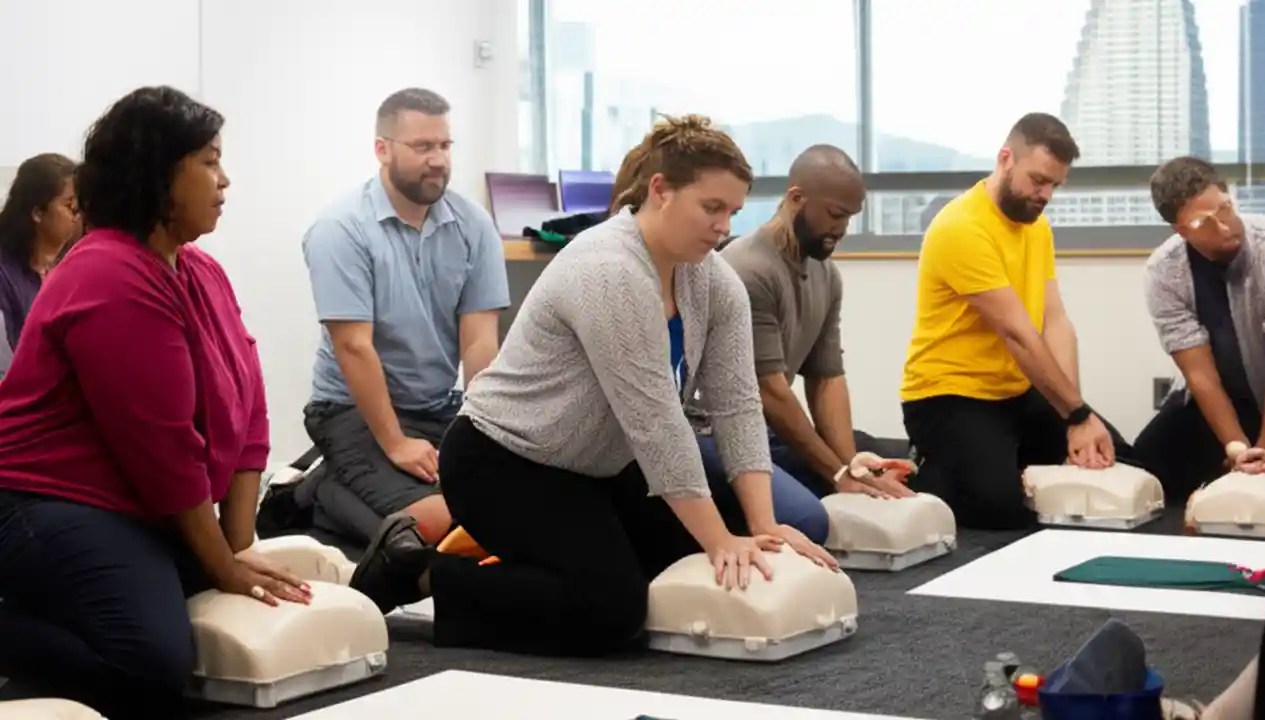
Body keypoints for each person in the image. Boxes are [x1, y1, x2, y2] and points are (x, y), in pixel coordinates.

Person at [346, 115, 838, 657]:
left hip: (597, 467)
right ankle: (424, 575)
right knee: (611, 608)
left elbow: (738, 405)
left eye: (733, 212)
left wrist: (761, 524)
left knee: (689, 553)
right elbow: (655, 425)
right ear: (660, 191)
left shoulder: (714, 280)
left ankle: (523, 557)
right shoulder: (607, 269)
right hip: (504, 462)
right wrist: (720, 539)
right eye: (711, 208)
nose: (723, 227)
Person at [0, 86, 309, 719]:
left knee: (196, 587)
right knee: (149, 666)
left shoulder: (200, 271)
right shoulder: (107, 274)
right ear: (158, 174)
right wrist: (222, 566)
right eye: (209, 161)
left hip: (131, 505)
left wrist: (238, 543)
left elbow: (249, 407)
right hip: (42, 501)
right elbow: (163, 452)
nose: (225, 180)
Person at [285, 87, 509, 547]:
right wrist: (394, 443)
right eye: (422, 147)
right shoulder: (340, 229)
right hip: (350, 411)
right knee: (436, 523)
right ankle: (322, 493)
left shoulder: (474, 226)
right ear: (382, 149)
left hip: (435, 405)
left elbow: (479, 342)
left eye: (445, 146)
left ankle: (336, 486)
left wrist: (485, 429)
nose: (439, 161)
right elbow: (354, 346)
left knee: (509, 500)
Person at [899, 112, 1131, 530]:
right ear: (1006, 158)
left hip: (1015, 394)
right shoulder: (962, 227)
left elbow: (1055, 322)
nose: (1045, 195)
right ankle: (930, 466)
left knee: (1118, 457)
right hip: (948, 395)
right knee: (998, 509)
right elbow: (1018, 334)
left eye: (1054, 186)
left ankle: (1005, 458)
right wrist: (1076, 417)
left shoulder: (1036, 226)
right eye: (1038, 180)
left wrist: (1073, 413)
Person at [694, 144, 913, 544]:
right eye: (834, 214)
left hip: (764, 430)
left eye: (849, 217)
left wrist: (852, 467)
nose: (842, 228)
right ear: (796, 199)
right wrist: (838, 475)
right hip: (713, 431)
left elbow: (827, 378)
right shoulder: (749, 270)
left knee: (875, 458)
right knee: (809, 519)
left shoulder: (827, 276)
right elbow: (772, 392)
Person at [1131, 157, 1265, 503]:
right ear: (1180, 230)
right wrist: (1239, 450)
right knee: (1148, 462)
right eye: (1203, 222)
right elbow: (1200, 375)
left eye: (1226, 209)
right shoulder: (1164, 272)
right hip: (1224, 399)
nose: (1224, 227)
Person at [0, 152, 80, 376]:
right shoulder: (5, 275)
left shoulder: (71, 270)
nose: (78, 218)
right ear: (37, 213)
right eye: (71, 208)